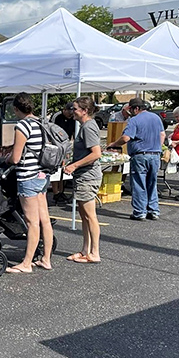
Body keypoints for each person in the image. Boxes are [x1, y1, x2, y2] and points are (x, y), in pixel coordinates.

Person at [5, 92, 53, 273]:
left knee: (32, 222)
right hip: (42, 175)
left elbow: (16, 158)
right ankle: (46, 259)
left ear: (16, 109)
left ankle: (26, 264)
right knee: (44, 220)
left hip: (28, 177)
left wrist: (7, 158)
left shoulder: (23, 125)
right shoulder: (40, 123)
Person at [107, 97, 164, 221]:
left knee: (139, 184)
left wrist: (114, 144)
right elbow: (162, 134)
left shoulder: (134, 120)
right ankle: (153, 210)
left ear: (136, 108)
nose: (130, 112)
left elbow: (126, 138)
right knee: (152, 183)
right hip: (155, 155)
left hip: (140, 155)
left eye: (131, 109)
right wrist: (157, 147)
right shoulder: (156, 118)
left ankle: (140, 212)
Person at [63, 97, 102, 263]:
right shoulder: (85, 126)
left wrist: (75, 165)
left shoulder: (88, 127)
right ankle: (86, 250)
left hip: (88, 176)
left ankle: (95, 253)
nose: (72, 111)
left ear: (84, 111)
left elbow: (96, 153)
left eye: (75, 108)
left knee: (90, 216)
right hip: (83, 176)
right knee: (84, 215)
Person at [50, 103, 74, 205]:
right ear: (64, 110)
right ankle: (56, 192)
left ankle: (61, 191)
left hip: (66, 145)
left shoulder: (73, 118)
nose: (71, 114)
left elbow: (73, 132)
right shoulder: (57, 116)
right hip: (56, 144)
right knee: (56, 170)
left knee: (63, 168)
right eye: (69, 112)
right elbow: (50, 129)